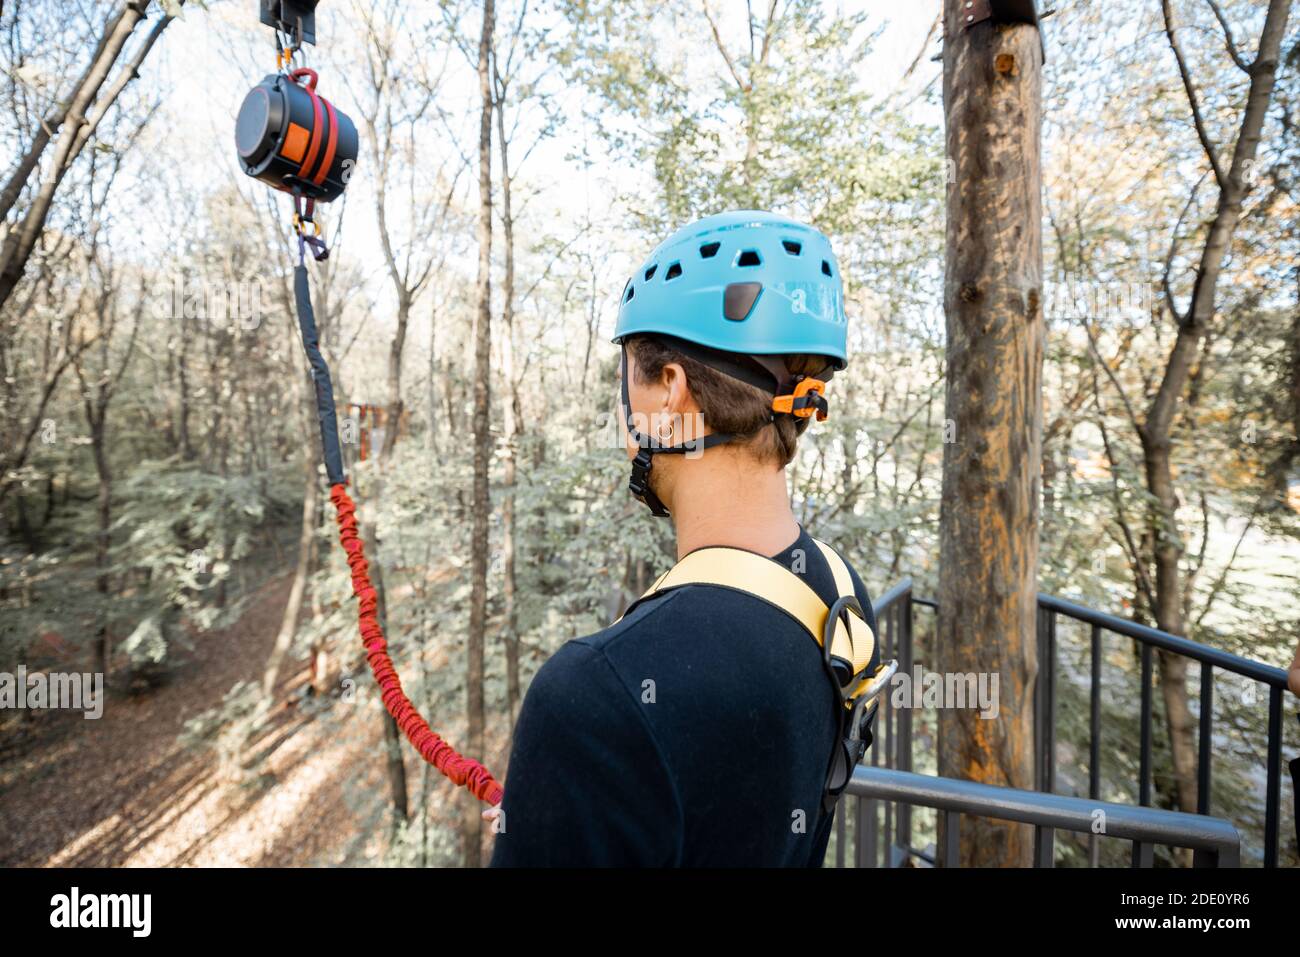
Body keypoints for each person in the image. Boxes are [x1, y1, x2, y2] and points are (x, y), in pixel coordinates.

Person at [487, 210, 879, 866]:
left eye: (629, 380)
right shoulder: (837, 595)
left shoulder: (594, 695)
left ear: (670, 389)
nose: (621, 413)